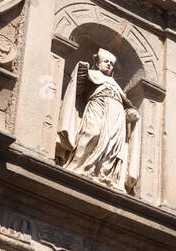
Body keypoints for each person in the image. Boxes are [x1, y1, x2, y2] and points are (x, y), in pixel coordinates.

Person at [57, 48, 140, 193]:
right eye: (106, 62)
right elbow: (77, 88)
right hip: (97, 106)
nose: (109, 65)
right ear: (98, 63)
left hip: (116, 115)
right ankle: (78, 165)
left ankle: (104, 174)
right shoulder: (93, 74)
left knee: (112, 144)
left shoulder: (116, 85)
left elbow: (126, 104)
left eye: (111, 63)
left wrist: (130, 113)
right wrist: (80, 69)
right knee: (91, 133)